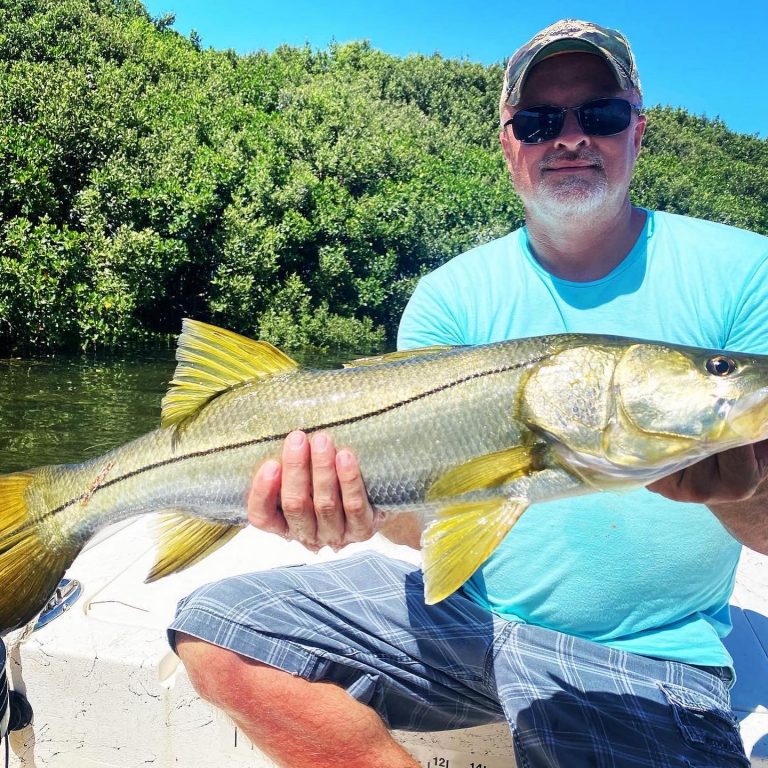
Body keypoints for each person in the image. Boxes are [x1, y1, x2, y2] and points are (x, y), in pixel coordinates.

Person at [169, 19, 768, 768]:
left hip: (644, 655)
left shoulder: (746, 273)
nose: (571, 138)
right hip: (463, 618)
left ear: (638, 132)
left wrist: (739, 493)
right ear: (509, 143)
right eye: (540, 121)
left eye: (601, 115)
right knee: (219, 632)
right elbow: (429, 522)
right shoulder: (450, 295)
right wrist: (351, 512)